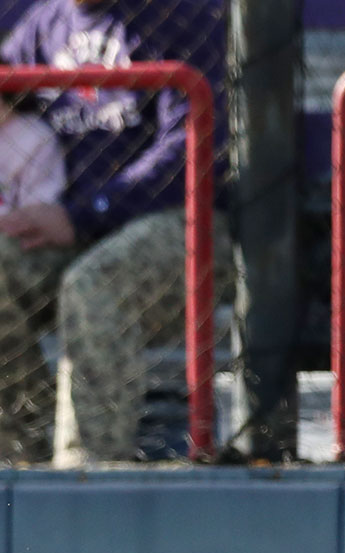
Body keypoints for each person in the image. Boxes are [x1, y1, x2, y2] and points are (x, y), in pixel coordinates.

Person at [0, 0, 231, 467]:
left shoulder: (183, 18)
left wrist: (89, 212)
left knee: (93, 285)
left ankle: (88, 473)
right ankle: (22, 456)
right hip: (74, 227)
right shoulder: (41, 27)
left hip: (185, 225)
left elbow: (195, 146)